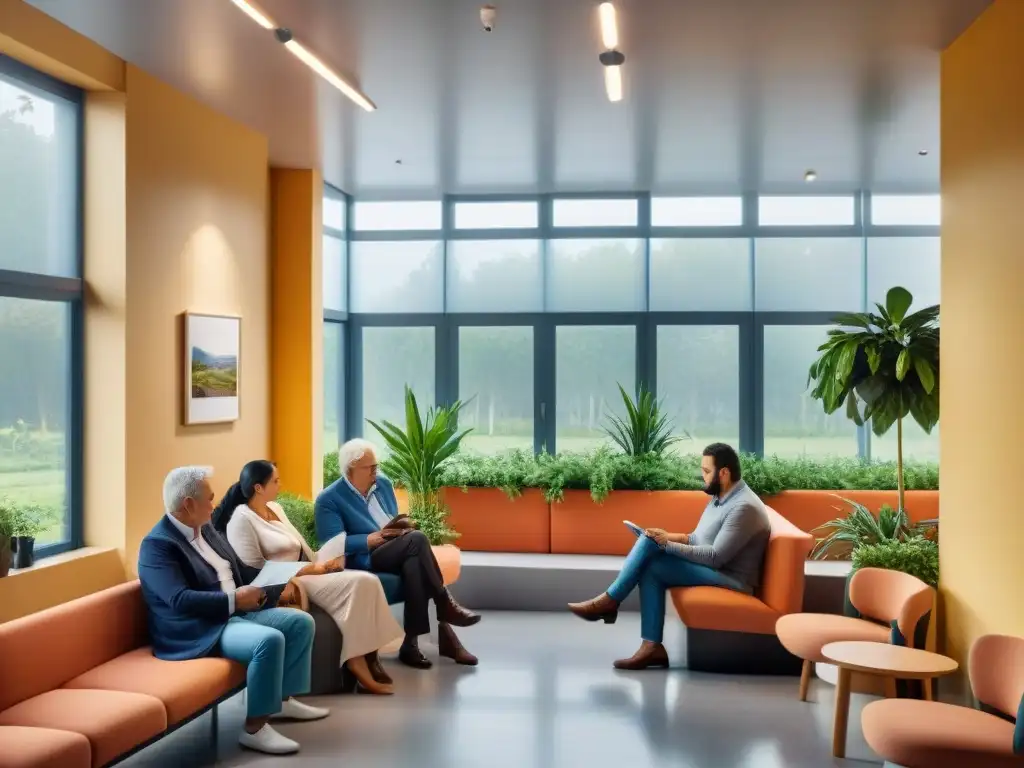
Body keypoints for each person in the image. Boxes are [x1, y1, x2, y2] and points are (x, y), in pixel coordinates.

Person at [138, 466, 328, 756]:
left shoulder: (207, 528)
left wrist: (278, 577)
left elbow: (237, 570)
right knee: (269, 640)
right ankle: (255, 728)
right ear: (188, 504)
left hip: (236, 614)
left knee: (300, 623)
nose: (214, 506)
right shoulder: (157, 546)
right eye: (209, 499)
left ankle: (283, 700)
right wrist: (234, 602)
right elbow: (179, 599)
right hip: (201, 629)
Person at [568, 443, 771, 670]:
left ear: (724, 473)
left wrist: (666, 546)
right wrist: (667, 537)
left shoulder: (743, 507)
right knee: (651, 557)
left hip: (732, 579)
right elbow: (696, 538)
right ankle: (651, 646)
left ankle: (610, 601)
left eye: (706, 471)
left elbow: (716, 558)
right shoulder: (721, 496)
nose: (702, 476)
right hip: (717, 568)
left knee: (651, 549)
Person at [215, 460, 403, 695]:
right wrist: (310, 570)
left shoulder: (276, 508)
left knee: (367, 580)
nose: (280, 484)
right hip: (287, 583)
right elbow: (255, 571)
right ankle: (358, 665)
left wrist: (325, 561)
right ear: (257, 488)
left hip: (308, 571)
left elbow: (300, 546)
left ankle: (361, 656)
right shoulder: (241, 520)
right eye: (275, 481)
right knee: (361, 584)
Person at [314, 438, 480, 669]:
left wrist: (402, 525)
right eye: (369, 467)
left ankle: (410, 645)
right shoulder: (329, 499)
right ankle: (444, 604)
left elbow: (391, 518)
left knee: (414, 562)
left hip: (397, 548)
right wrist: (367, 540)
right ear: (351, 469)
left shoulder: (382, 484)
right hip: (366, 557)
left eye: (376, 466)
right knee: (417, 541)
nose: (375, 471)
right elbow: (331, 544)